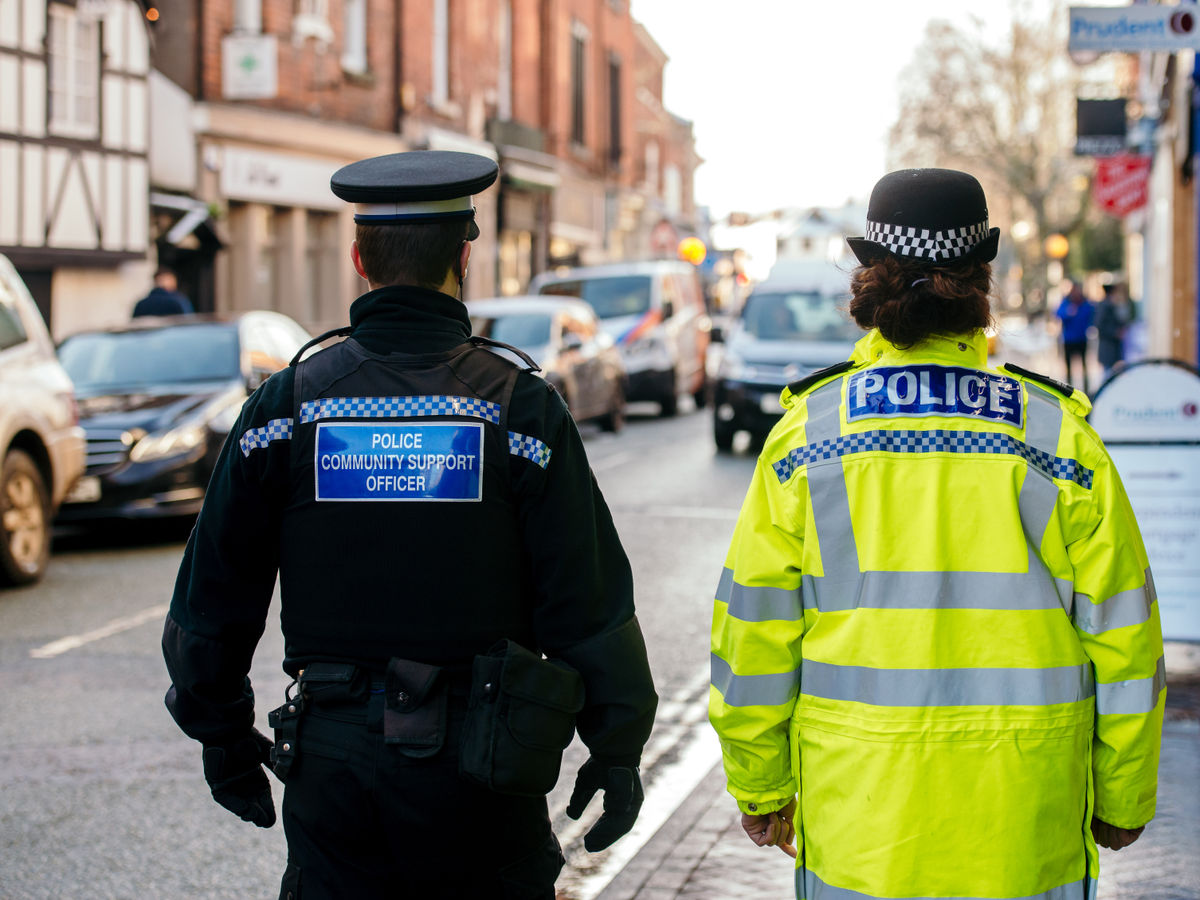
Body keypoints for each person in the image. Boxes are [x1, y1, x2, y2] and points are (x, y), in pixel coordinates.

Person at [161, 150, 658, 899]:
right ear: (464, 256)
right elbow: (586, 600)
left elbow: (213, 593)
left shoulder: (287, 409)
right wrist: (615, 749)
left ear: (360, 259)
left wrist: (222, 735)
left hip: (334, 762)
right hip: (486, 765)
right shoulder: (520, 410)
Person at [709, 168, 1164, 900]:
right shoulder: (1058, 437)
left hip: (864, 825)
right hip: (1024, 826)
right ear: (980, 279)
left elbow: (754, 632)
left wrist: (760, 786)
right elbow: (1126, 639)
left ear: (868, 280)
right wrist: (1122, 796)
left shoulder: (807, 436)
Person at [1055, 278, 1094, 394]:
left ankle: (1086, 389)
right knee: (1068, 367)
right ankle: (1068, 389)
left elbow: (1091, 314)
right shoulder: (1066, 302)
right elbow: (1058, 313)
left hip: (1081, 338)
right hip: (1069, 339)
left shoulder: (1085, 303)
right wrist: (1068, 313)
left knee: (1084, 366)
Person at [1095, 280, 1133, 383]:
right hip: (1108, 346)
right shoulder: (1105, 305)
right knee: (1107, 374)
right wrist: (1115, 332)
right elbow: (1100, 325)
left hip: (1111, 347)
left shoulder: (1111, 304)